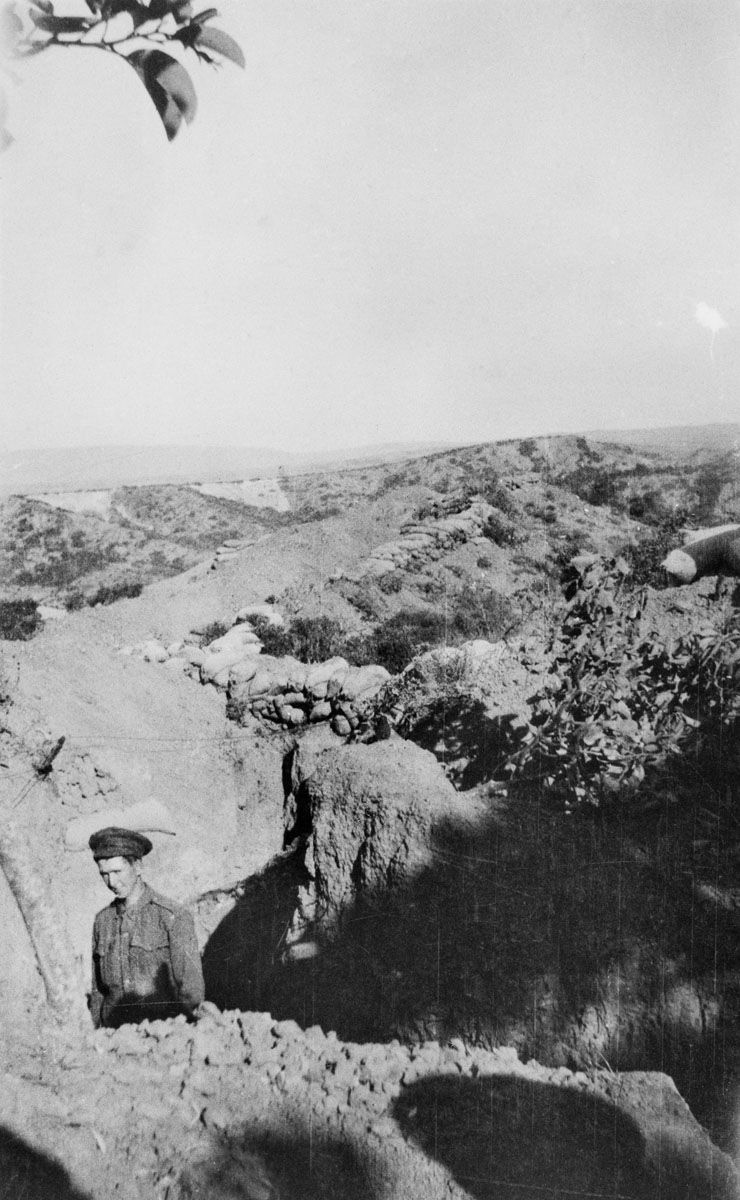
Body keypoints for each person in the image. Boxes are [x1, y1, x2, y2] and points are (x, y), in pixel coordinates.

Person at [89, 826, 205, 1028]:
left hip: (159, 1035)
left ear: (138, 867)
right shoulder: (102, 921)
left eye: (117, 871)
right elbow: (98, 993)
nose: (112, 882)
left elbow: (191, 992)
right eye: (104, 874)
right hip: (113, 1037)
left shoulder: (172, 916)